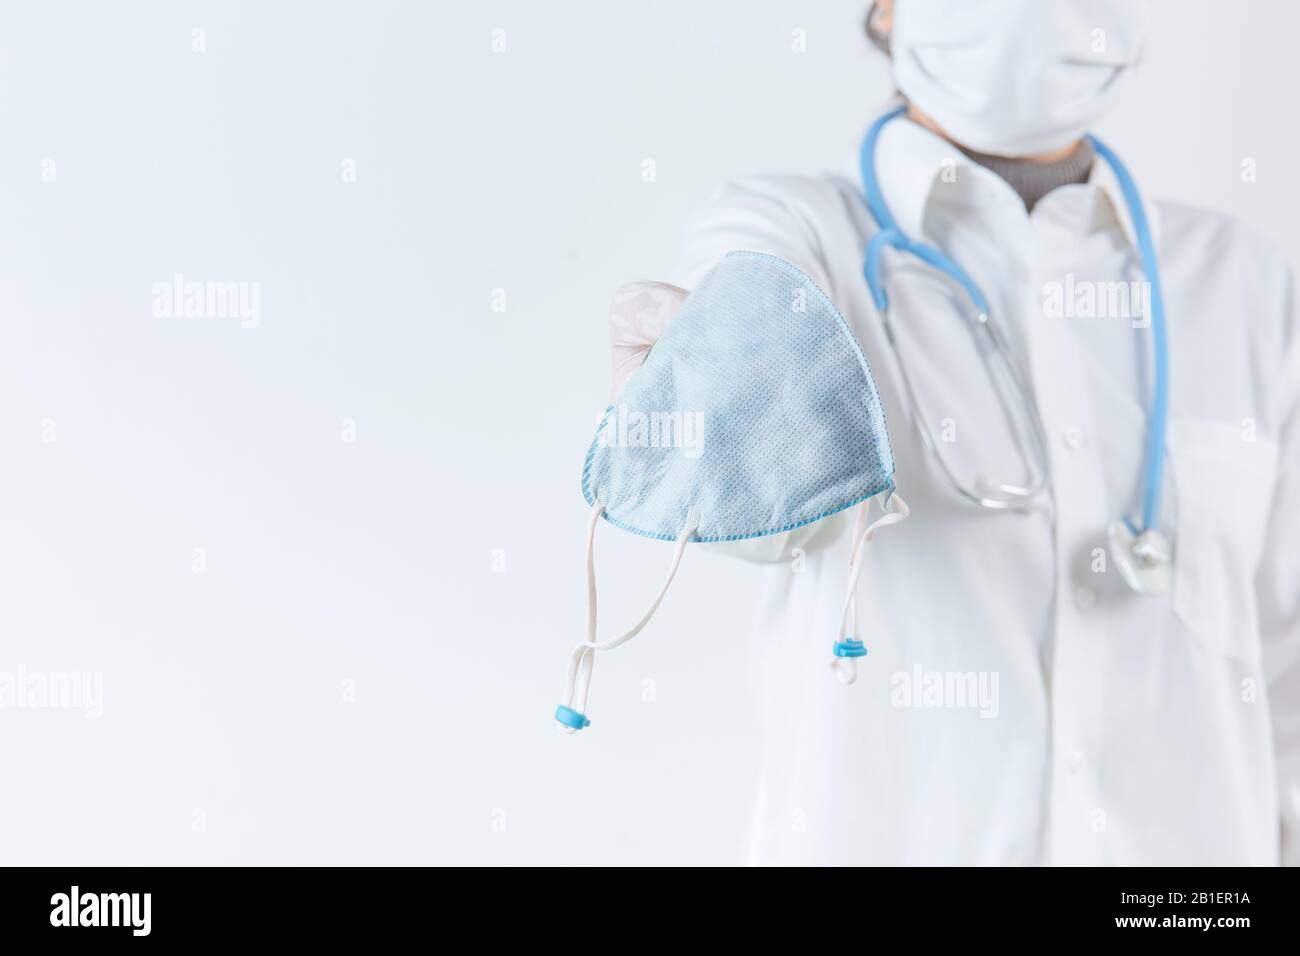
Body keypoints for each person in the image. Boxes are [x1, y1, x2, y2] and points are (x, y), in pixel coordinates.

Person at [606, 0, 1300, 865]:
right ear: (886, 10)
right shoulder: (790, 235)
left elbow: (1283, 663)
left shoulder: (1246, 282)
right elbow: (758, 478)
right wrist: (719, 401)